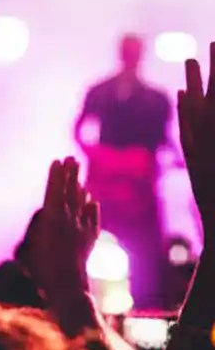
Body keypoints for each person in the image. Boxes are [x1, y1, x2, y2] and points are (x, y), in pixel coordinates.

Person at [74, 34, 172, 310]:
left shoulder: (156, 99)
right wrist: (101, 158)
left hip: (137, 188)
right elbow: (79, 131)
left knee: (145, 250)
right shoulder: (100, 91)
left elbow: (165, 143)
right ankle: (83, 299)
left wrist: (142, 164)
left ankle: (147, 305)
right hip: (106, 183)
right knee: (87, 237)